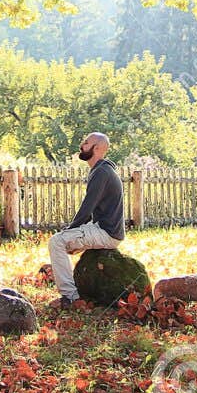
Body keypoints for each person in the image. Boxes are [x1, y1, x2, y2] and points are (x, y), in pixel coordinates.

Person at [48, 131, 124, 306]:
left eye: (86, 143)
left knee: (56, 242)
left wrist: (70, 231)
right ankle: (71, 293)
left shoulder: (102, 172)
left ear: (96, 148)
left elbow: (87, 207)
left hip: (107, 232)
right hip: (103, 229)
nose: (82, 146)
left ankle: (70, 298)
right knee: (62, 241)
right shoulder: (102, 169)